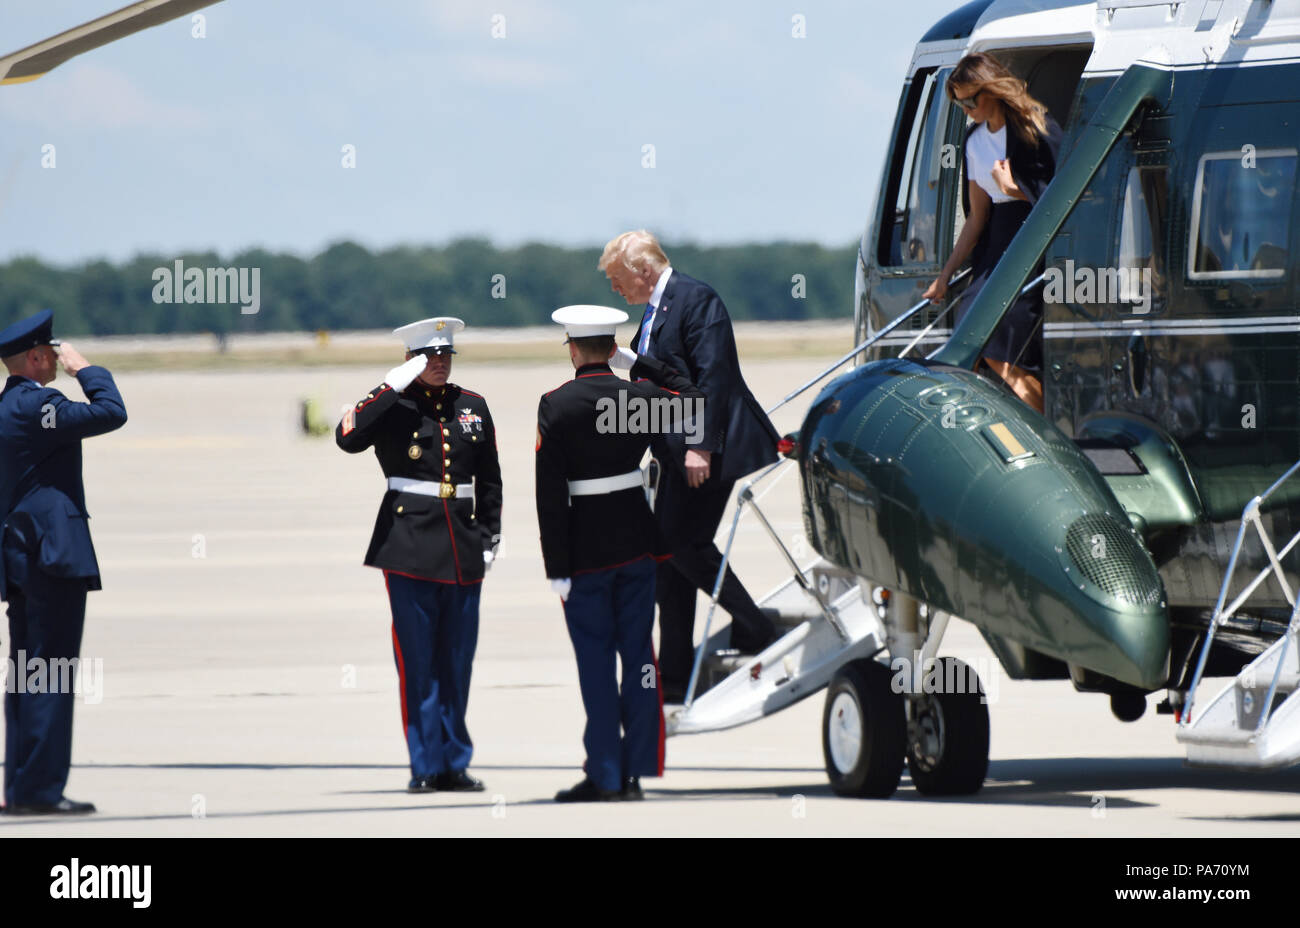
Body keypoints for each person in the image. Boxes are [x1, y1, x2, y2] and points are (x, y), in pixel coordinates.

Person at [599, 230, 779, 704]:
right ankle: (674, 677)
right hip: (676, 454)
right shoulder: (657, 308)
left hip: (708, 451)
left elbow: (713, 375)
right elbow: (662, 373)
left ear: (643, 271)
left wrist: (701, 446)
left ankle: (756, 626)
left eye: (618, 280)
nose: (616, 290)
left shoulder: (696, 299)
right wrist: (619, 358)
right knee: (668, 561)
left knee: (683, 545)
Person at [537, 305, 703, 802]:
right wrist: (643, 364)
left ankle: (604, 773)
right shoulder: (638, 398)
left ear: (571, 349)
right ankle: (635, 773)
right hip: (636, 544)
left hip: (584, 552)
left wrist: (556, 567)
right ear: (612, 348)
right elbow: (694, 401)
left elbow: (549, 494)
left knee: (595, 667)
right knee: (639, 662)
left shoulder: (556, 404)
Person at [335, 317, 502, 794]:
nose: (441, 363)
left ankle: (454, 762)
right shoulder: (392, 404)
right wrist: (390, 385)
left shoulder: (471, 406)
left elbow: (489, 479)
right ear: (410, 361)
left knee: (457, 661)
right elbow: (348, 439)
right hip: (407, 544)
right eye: (430, 357)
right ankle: (425, 764)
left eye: (447, 355)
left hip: (463, 545)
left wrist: (491, 535)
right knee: (419, 663)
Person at [0, 309, 127, 815]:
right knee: (51, 672)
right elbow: (110, 413)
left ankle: (20, 784)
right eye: (50, 354)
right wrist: (87, 371)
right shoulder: (37, 405)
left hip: (20, 555)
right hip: (52, 557)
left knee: (27, 672)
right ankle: (40, 790)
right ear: (34, 357)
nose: (56, 360)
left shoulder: (7, 406)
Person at [923, 53, 1062, 414]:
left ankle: (1050, 432)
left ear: (991, 92)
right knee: (973, 334)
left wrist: (1014, 188)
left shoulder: (1036, 126)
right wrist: (945, 276)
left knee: (1008, 346)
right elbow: (977, 217)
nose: (966, 108)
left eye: (970, 99)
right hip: (997, 241)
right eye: (959, 103)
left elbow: (1065, 194)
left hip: (1034, 239)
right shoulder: (973, 142)